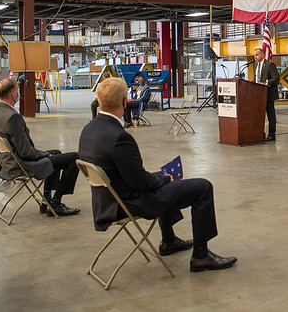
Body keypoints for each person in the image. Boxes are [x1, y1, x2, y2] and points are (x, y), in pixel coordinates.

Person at [79, 77, 237, 272]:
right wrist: (164, 178)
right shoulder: (120, 138)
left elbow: (130, 176)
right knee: (203, 187)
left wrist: (160, 177)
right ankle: (201, 256)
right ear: (124, 102)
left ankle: (169, 240)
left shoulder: (89, 129)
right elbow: (141, 183)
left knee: (165, 178)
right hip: (129, 202)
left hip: (107, 200)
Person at [0, 78, 80, 217]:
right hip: (20, 164)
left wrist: (45, 154)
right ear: (13, 93)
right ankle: (55, 202)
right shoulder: (12, 117)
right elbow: (25, 152)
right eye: (17, 90)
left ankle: (47, 199)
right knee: (74, 158)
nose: (18, 93)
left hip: (7, 161)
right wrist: (43, 154)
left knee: (56, 153)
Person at [253, 47, 279, 141]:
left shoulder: (270, 65)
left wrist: (265, 84)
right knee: (258, 114)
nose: (255, 57)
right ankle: (260, 133)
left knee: (270, 114)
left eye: (257, 55)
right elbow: (256, 79)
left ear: (262, 55)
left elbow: (276, 78)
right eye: (254, 55)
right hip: (258, 95)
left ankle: (272, 134)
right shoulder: (256, 65)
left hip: (269, 94)